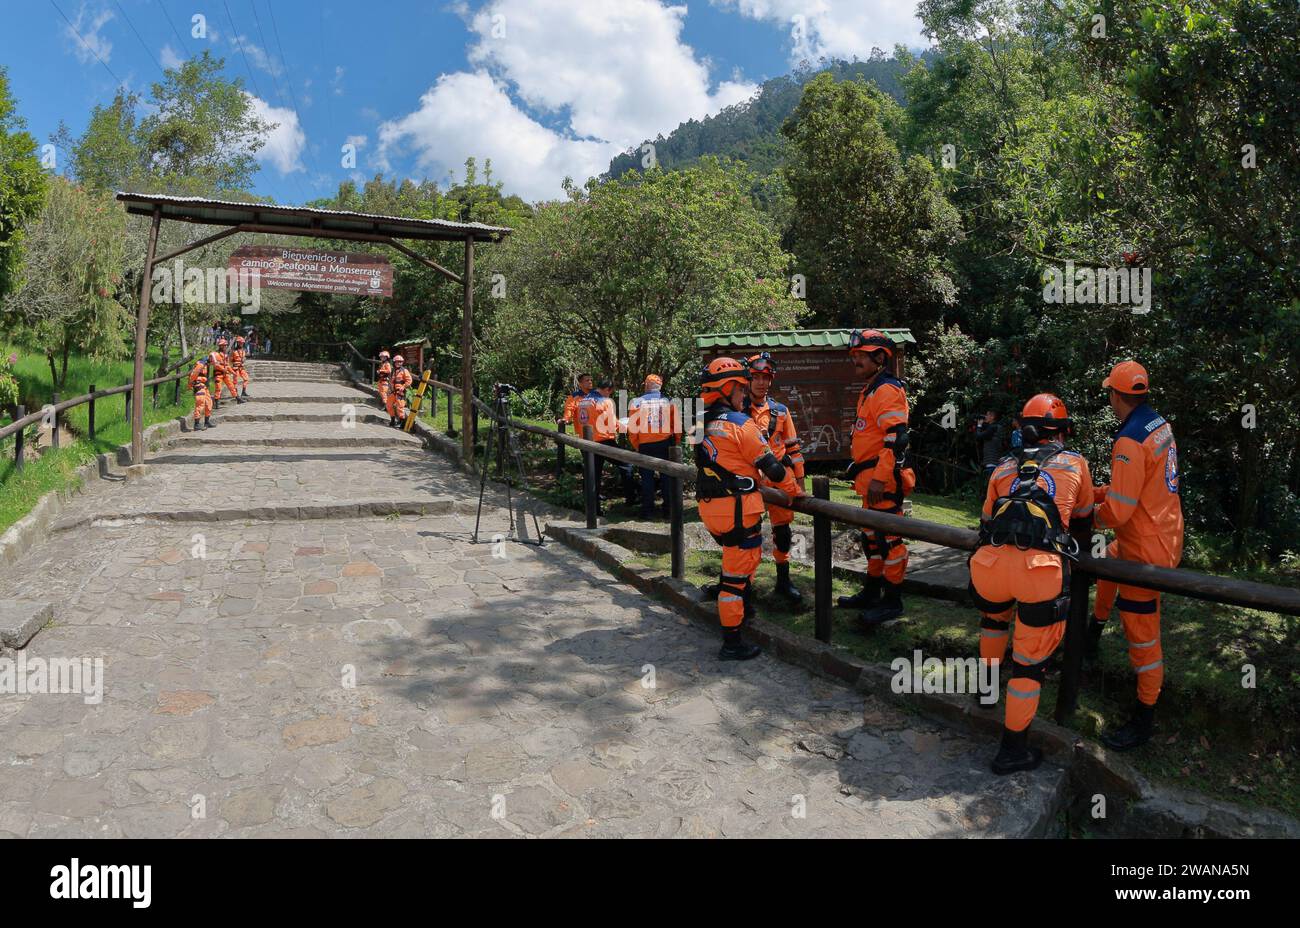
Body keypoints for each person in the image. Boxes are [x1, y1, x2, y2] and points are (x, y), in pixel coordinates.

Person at [969, 393, 1095, 774]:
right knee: (1027, 665)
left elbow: (987, 521)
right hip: (1039, 572)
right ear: (1061, 432)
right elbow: (1085, 521)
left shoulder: (1002, 468)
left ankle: (987, 692)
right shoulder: (1075, 464)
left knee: (993, 622)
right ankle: (1012, 750)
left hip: (990, 566)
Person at [1089, 361, 1184, 751]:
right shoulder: (1158, 424)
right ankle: (1092, 635)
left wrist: (1088, 514)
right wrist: (1102, 490)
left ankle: (1144, 717)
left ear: (1115, 395)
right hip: (1163, 534)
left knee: (1143, 640)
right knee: (1107, 563)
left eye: (1109, 393)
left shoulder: (1128, 439)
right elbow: (1140, 484)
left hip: (1145, 554)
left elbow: (1120, 512)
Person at [696, 357, 803, 660]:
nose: (745, 394)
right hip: (739, 509)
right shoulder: (742, 424)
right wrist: (793, 491)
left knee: (738, 565)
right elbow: (771, 466)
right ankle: (732, 642)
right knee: (734, 577)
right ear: (728, 388)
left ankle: (744, 609)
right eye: (741, 388)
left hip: (711, 509)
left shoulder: (697, 423)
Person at [837, 329, 917, 626]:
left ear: (880, 358)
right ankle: (872, 592)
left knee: (889, 540)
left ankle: (892, 600)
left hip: (882, 483)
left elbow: (897, 438)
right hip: (869, 481)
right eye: (854, 355)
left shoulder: (886, 390)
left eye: (861, 355)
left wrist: (880, 479)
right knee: (871, 538)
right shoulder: (871, 389)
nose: (855, 359)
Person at [744, 353, 807, 605]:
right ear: (748, 379)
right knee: (749, 533)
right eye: (756, 377)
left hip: (780, 479)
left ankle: (783, 581)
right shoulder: (738, 410)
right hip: (751, 479)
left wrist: (800, 482)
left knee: (782, 533)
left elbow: (793, 449)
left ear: (771, 380)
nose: (761, 382)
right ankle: (745, 582)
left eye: (765, 378)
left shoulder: (781, 411)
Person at [626, 374, 681, 520]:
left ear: (645, 386)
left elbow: (632, 429)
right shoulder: (668, 401)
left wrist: (637, 445)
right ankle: (669, 511)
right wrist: (676, 442)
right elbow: (677, 425)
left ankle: (647, 511)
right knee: (667, 477)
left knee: (647, 479)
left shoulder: (636, 402)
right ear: (660, 386)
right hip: (665, 443)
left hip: (645, 444)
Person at [577, 378, 635, 511]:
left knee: (592, 475)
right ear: (608, 390)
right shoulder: (606, 402)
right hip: (603, 441)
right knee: (627, 464)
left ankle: (593, 509)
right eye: (610, 393)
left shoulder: (583, 401)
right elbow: (612, 424)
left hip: (586, 441)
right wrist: (625, 427)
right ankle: (631, 498)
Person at [208, 339, 238, 408]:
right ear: (220, 346)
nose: (225, 347)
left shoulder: (225, 355)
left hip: (225, 374)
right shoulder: (215, 354)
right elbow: (216, 365)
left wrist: (233, 372)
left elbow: (227, 365)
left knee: (231, 386)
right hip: (218, 374)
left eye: (225, 345)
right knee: (218, 388)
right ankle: (216, 402)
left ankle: (237, 398)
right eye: (224, 346)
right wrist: (223, 369)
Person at [975, 410, 1004, 481]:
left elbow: (978, 436)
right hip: (996, 460)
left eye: (987, 415)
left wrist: (979, 425)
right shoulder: (997, 427)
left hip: (991, 462)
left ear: (992, 417)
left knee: (990, 485)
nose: (985, 417)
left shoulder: (992, 428)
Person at [188, 357, 214, 431]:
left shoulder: (205, 364)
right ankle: (196, 424)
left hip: (203, 386)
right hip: (199, 385)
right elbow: (194, 374)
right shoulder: (201, 364)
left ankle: (207, 422)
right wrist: (191, 384)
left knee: (209, 402)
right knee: (200, 403)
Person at [388, 355, 413, 427]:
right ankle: (392, 420)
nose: (399, 363)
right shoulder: (393, 371)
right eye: (397, 362)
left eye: (400, 362)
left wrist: (403, 386)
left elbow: (409, 380)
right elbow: (391, 381)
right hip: (393, 391)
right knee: (389, 405)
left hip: (400, 392)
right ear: (394, 362)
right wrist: (390, 389)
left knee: (400, 407)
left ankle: (402, 423)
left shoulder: (404, 371)